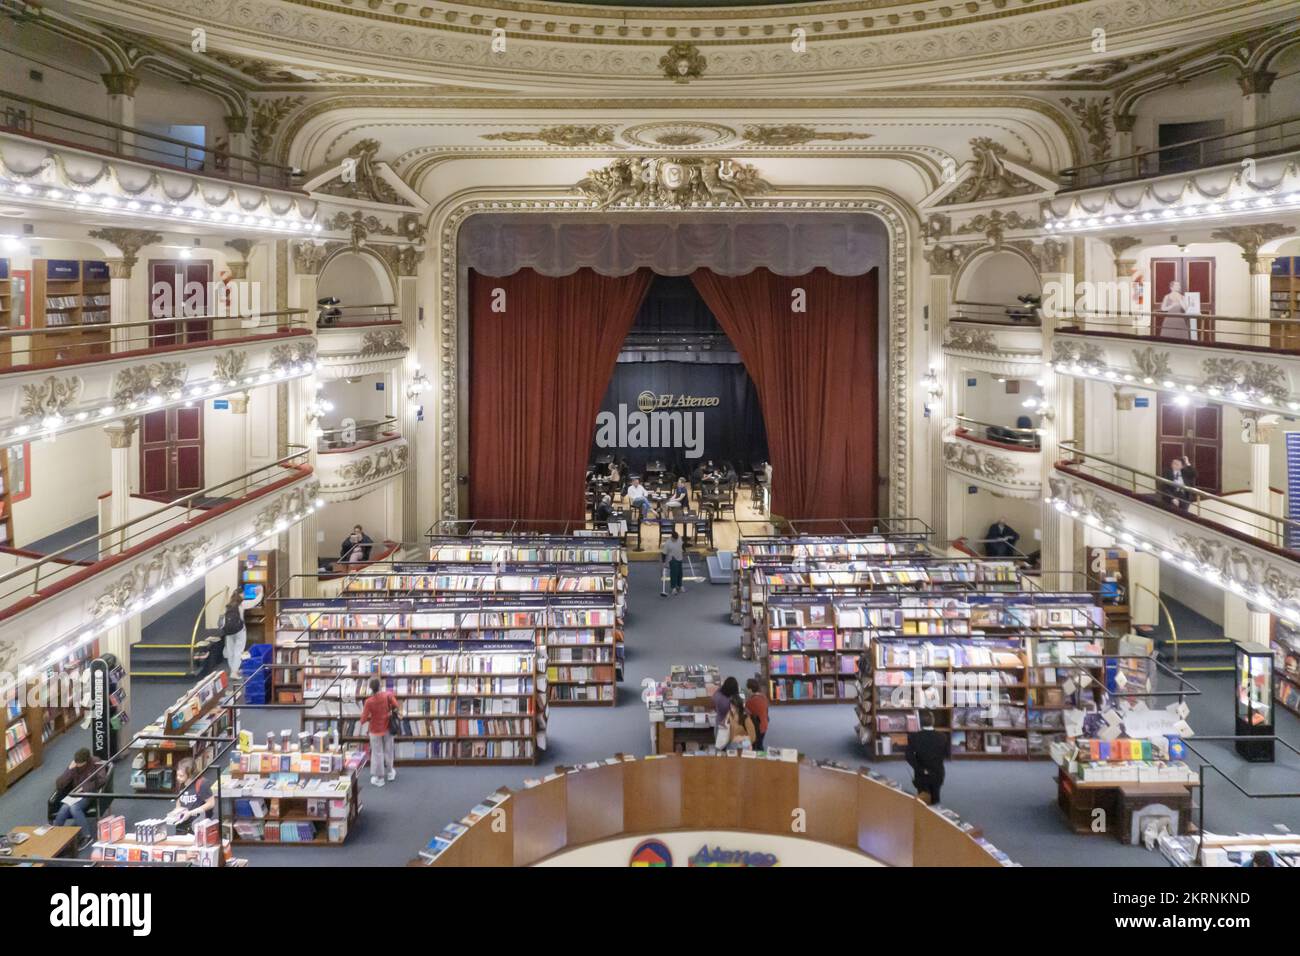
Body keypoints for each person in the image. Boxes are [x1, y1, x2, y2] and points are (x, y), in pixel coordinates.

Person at [53, 749, 110, 849]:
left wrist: (84, 788)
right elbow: (59, 785)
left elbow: (102, 780)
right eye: (77, 763)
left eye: (81, 764)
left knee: (74, 808)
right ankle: (55, 835)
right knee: (64, 808)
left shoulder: (96, 762)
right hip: (75, 795)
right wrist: (69, 770)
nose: (78, 766)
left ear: (87, 761)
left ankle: (87, 836)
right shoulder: (74, 765)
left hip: (89, 794)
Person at [904, 710, 950, 805]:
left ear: (919, 722)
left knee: (923, 798)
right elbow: (946, 754)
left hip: (921, 774)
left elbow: (909, 756)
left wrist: (919, 768)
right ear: (933, 721)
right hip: (937, 773)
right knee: (936, 797)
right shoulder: (943, 737)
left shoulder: (914, 737)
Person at [360, 676, 399, 787]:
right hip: (387, 728)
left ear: (370, 688)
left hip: (375, 730)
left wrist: (369, 716)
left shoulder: (368, 702)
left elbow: (362, 720)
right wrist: (389, 713)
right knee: (389, 750)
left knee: (377, 754)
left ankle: (380, 778)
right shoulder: (388, 695)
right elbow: (396, 706)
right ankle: (390, 772)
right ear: (380, 685)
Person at [219, 589, 257, 674]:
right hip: (240, 630)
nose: (244, 595)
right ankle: (234, 671)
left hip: (229, 631)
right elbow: (254, 602)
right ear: (240, 595)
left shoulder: (228, 605)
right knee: (238, 650)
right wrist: (260, 593)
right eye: (243, 594)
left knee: (230, 651)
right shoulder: (242, 604)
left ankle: (232, 669)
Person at [172, 758, 215, 832]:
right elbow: (178, 801)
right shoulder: (180, 783)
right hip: (182, 823)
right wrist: (177, 812)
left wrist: (190, 813)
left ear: (190, 774)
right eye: (177, 775)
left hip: (198, 824)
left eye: (181, 776)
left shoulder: (202, 784)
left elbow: (211, 803)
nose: (178, 778)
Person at [745, 677, 770, 751]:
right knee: (760, 744)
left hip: (757, 727)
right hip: (764, 724)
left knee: (756, 746)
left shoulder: (751, 702)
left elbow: (747, 715)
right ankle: (763, 760)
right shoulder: (763, 697)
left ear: (750, 689)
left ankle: (760, 761)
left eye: (747, 688)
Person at [661, 529, 685, 595]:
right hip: (672, 558)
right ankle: (673, 588)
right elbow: (663, 553)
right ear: (672, 537)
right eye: (675, 539)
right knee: (674, 573)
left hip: (680, 557)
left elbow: (682, 545)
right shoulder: (668, 543)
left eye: (677, 538)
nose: (676, 540)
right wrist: (663, 563)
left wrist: (685, 551)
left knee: (680, 573)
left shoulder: (679, 538)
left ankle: (679, 586)